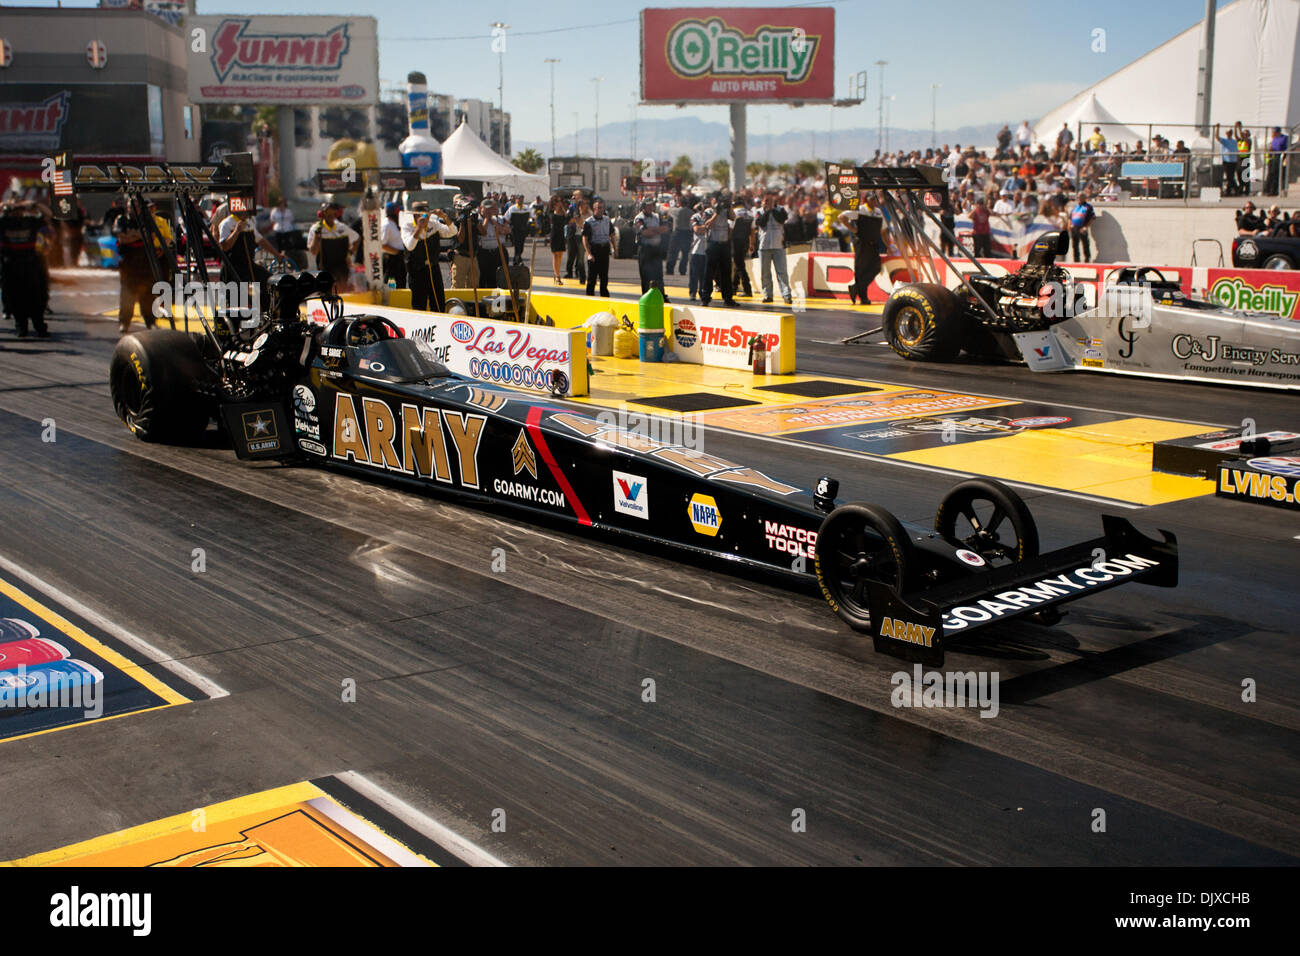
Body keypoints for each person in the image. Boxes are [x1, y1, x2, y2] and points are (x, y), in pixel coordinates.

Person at [0, 199, 51, 337]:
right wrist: (4, 205)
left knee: (35, 297)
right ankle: (21, 326)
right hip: (10, 265)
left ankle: (39, 326)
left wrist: (35, 204)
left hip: (29, 264)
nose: (17, 213)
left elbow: (49, 215)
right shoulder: (4, 222)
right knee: (15, 297)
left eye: (19, 211)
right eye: (14, 211)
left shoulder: (30, 221)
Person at [403, 200, 456, 312]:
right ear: (415, 216)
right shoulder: (407, 227)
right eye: (423, 216)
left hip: (433, 268)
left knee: (438, 301)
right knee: (419, 303)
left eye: (428, 216)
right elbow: (410, 246)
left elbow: (453, 232)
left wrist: (444, 217)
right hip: (417, 270)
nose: (426, 219)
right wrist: (418, 229)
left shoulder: (434, 224)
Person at [306, 202, 359, 294]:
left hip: (342, 270)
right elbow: (313, 251)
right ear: (322, 214)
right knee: (326, 296)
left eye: (333, 213)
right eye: (328, 213)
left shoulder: (341, 227)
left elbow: (357, 239)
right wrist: (316, 236)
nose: (330, 216)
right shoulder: (315, 229)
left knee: (342, 294)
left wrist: (349, 253)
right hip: (325, 270)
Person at [841, 197, 882, 306]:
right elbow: (842, 217)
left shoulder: (878, 212)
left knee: (877, 267)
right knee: (860, 270)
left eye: (875, 199)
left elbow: (884, 230)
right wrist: (854, 230)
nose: (874, 201)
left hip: (873, 243)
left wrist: (889, 245)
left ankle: (856, 288)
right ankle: (863, 298)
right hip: (861, 243)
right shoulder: (860, 209)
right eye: (872, 199)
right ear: (867, 200)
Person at [754, 191, 792, 304]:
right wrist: (767, 211)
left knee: (782, 272)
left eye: (769, 200)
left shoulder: (780, 209)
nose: (767, 202)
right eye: (765, 201)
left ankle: (786, 294)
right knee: (765, 272)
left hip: (778, 245)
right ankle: (767, 295)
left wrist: (772, 209)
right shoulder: (758, 211)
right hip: (764, 246)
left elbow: (782, 219)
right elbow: (761, 223)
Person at [701, 195, 736, 307]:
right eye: (716, 200)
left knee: (726, 271)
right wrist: (717, 212)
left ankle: (728, 298)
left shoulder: (725, 211)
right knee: (709, 272)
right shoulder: (709, 211)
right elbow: (708, 225)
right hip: (713, 243)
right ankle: (705, 297)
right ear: (712, 201)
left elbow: (733, 217)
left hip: (724, 244)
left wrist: (729, 206)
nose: (719, 203)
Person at [632, 199, 668, 298]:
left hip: (656, 249)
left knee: (659, 275)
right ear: (643, 207)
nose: (650, 208)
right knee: (646, 276)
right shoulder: (639, 218)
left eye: (652, 206)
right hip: (645, 249)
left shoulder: (656, 216)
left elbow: (665, 229)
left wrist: (652, 229)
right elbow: (645, 233)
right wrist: (657, 230)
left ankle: (661, 296)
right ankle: (646, 297)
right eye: (648, 206)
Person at [475, 198, 510, 289]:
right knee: (483, 276)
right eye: (486, 209)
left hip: (497, 250)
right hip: (483, 251)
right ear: (481, 208)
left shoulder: (498, 219)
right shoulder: (477, 219)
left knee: (498, 276)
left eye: (490, 209)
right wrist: (486, 218)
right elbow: (483, 231)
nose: (489, 211)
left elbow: (504, 230)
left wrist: (494, 221)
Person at [582, 198, 613, 297]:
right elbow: (585, 239)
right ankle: (590, 297)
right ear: (594, 209)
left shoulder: (607, 220)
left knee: (604, 277)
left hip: (604, 249)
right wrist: (589, 254)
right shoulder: (589, 222)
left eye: (602, 208)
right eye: (598, 208)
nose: (600, 210)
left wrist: (615, 248)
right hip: (594, 250)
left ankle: (604, 296)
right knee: (592, 278)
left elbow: (612, 235)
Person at [451, 196, 480, 290]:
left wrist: (475, 220)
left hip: (473, 256)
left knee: (474, 285)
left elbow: (483, 232)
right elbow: (460, 239)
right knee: (458, 286)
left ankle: (471, 304)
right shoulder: (454, 220)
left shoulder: (471, 218)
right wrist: (462, 223)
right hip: (461, 256)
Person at [730, 197, 754, 298]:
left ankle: (747, 289)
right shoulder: (750, 213)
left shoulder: (734, 213)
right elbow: (752, 231)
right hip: (745, 242)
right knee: (738, 263)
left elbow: (730, 229)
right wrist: (752, 244)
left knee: (740, 265)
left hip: (735, 241)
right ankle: (734, 288)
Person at [666, 194, 694, 275]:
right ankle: (682, 270)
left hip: (677, 232)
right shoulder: (691, 212)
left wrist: (674, 203)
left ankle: (670, 269)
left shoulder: (675, 211)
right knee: (685, 254)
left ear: (680, 203)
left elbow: (668, 210)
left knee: (673, 252)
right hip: (687, 233)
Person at [381, 201, 407, 290]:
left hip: (398, 258)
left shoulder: (393, 224)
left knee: (401, 281)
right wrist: (397, 252)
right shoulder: (386, 225)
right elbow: (382, 244)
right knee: (390, 282)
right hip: (391, 259)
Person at [688, 200, 710, 302]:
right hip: (696, 250)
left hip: (707, 250)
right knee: (694, 274)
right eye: (703, 207)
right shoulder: (695, 217)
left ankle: (703, 293)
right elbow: (697, 229)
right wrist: (708, 227)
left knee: (704, 275)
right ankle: (692, 293)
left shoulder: (712, 217)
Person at [564, 191, 586, 283]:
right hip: (572, 232)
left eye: (576, 197)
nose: (575, 199)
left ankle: (579, 272)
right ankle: (569, 272)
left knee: (580, 254)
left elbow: (587, 215)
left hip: (581, 233)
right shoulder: (571, 207)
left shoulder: (583, 206)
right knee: (571, 253)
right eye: (574, 197)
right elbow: (568, 219)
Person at [547, 194, 568, 285]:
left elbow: (567, 218)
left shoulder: (563, 212)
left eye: (561, 201)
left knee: (560, 255)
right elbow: (553, 219)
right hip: (554, 234)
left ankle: (557, 273)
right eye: (558, 201)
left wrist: (563, 208)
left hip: (561, 234)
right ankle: (557, 275)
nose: (560, 203)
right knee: (555, 255)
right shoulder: (551, 212)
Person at [1069, 191, 1096, 262]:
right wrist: (1070, 225)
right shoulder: (1076, 207)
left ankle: (1087, 258)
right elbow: (1070, 217)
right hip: (1074, 227)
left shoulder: (1088, 207)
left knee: (1085, 244)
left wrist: (1085, 227)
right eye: (1078, 197)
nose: (1079, 198)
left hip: (1082, 227)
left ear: (1084, 198)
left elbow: (1092, 218)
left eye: (1081, 196)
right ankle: (1076, 259)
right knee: (1075, 244)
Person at [505, 194, 531, 266]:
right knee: (517, 244)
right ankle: (517, 259)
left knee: (521, 244)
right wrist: (507, 227)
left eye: (522, 199)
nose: (521, 200)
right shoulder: (512, 208)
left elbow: (532, 216)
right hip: (515, 230)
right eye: (519, 199)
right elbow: (506, 218)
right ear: (516, 200)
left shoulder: (526, 208)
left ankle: (517, 258)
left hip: (523, 230)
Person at [1266, 127, 1289, 197]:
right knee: (1271, 173)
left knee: (1276, 174)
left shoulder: (1284, 138)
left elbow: (1286, 148)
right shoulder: (1274, 138)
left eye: (1275, 132)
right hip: (1273, 157)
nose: (1273, 133)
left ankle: (1274, 190)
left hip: (1280, 156)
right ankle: (1269, 189)